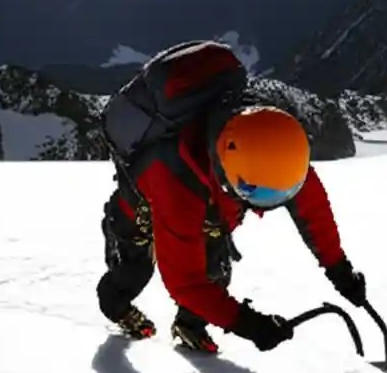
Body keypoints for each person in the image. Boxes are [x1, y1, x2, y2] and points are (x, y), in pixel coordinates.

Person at [96, 40, 367, 354]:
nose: (272, 200)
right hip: (142, 207)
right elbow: (184, 282)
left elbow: (311, 206)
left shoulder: (274, 149)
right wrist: (248, 324)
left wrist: (340, 270)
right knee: (134, 270)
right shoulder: (174, 178)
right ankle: (115, 305)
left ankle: (190, 326)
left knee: (215, 274)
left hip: (213, 211)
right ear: (226, 173)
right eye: (258, 194)